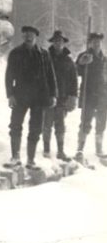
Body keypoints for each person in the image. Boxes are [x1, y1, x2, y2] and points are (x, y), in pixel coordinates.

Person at [4, 25, 58, 169]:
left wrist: (53, 95)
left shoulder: (44, 54)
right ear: (23, 36)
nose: (28, 37)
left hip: (39, 97)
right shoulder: (15, 53)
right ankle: (15, 157)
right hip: (20, 95)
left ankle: (31, 160)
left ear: (36, 36)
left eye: (31, 34)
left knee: (35, 128)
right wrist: (10, 95)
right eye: (26, 34)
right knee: (15, 125)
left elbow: (51, 76)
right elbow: (9, 76)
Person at [43, 30, 78, 161]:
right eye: (56, 40)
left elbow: (74, 81)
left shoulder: (69, 61)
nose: (58, 43)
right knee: (46, 124)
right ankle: (46, 150)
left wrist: (73, 97)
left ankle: (60, 151)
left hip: (62, 98)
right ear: (53, 42)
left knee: (60, 125)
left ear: (63, 43)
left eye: (61, 41)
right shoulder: (45, 57)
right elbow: (40, 77)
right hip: (47, 97)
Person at [75, 32, 107, 162]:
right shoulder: (84, 56)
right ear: (90, 43)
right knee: (85, 122)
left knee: (101, 123)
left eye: (98, 41)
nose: (96, 43)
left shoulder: (105, 60)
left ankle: (99, 148)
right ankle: (80, 148)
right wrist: (82, 63)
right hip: (88, 95)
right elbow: (76, 71)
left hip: (103, 96)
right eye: (94, 41)